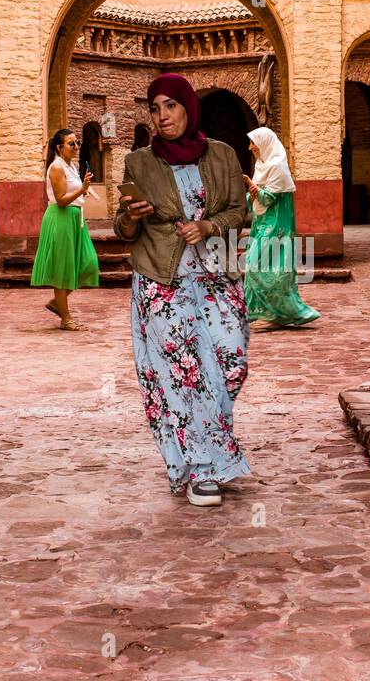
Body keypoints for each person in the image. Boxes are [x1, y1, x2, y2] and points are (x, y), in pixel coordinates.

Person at [115, 73, 250, 508]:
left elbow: (238, 210)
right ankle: (201, 468)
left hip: (216, 276)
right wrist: (133, 217)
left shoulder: (223, 155)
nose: (161, 116)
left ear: (188, 108)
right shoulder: (139, 163)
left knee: (231, 363)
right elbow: (123, 228)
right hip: (161, 281)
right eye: (154, 108)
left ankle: (210, 445)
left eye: (170, 106)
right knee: (185, 374)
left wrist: (208, 225)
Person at [242, 127, 321, 330]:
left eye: (253, 143)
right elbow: (255, 199)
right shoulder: (262, 164)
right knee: (257, 265)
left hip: (276, 225)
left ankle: (274, 315)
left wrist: (251, 186)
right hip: (262, 223)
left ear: (264, 143)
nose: (250, 147)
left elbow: (268, 197)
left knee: (262, 266)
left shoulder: (277, 166)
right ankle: (262, 312)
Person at [31, 128, 99, 329]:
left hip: (75, 219)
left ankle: (56, 303)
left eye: (77, 142)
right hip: (61, 219)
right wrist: (82, 189)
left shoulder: (70, 166)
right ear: (60, 148)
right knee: (63, 269)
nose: (76, 146)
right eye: (71, 143)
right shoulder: (57, 167)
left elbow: (72, 194)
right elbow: (60, 200)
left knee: (89, 263)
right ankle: (66, 319)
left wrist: (83, 192)